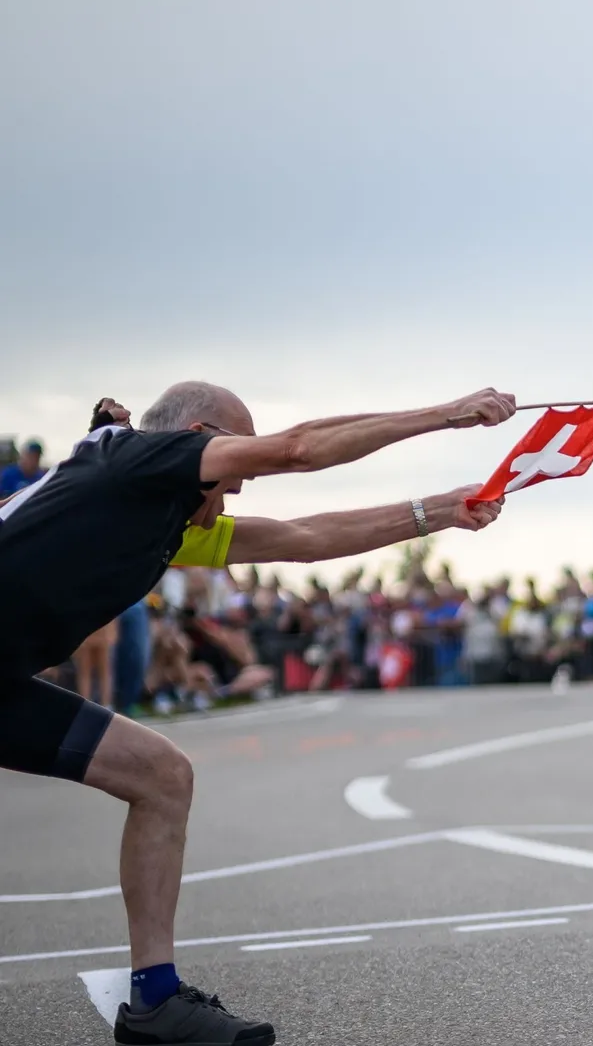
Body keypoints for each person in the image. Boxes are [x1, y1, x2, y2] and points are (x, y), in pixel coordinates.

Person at [0, 382, 515, 1043]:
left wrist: (439, 511)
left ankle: (156, 1004)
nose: (239, 485)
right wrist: (445, 415)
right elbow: (298, 449)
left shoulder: (166, 522)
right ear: (195, 439)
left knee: (160, 774)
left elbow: (304, 536)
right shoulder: (132, 461)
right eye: (234, 460)